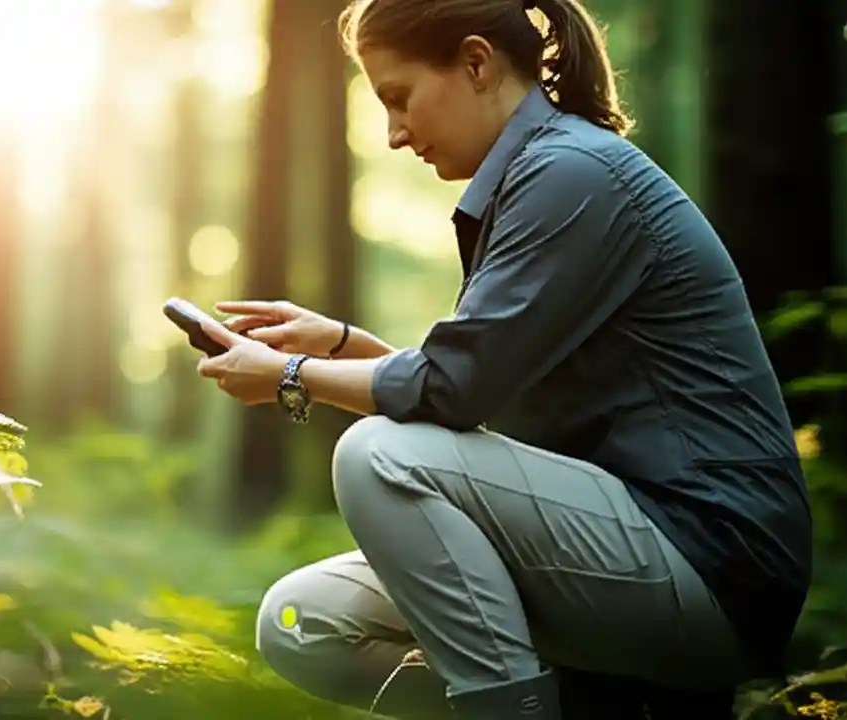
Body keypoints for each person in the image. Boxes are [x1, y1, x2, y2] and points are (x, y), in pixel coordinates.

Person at [191, 0, 813, 718]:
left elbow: (451, 391)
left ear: (477, 62)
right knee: (301, 623)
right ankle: (583, 705)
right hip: (626, 543)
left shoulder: (571, 173)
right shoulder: (540, 173)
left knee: (377, 456)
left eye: (399, 98)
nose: (394, 133)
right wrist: (339, 345)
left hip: (711, 559)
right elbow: (478, 398)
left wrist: (292, 378)